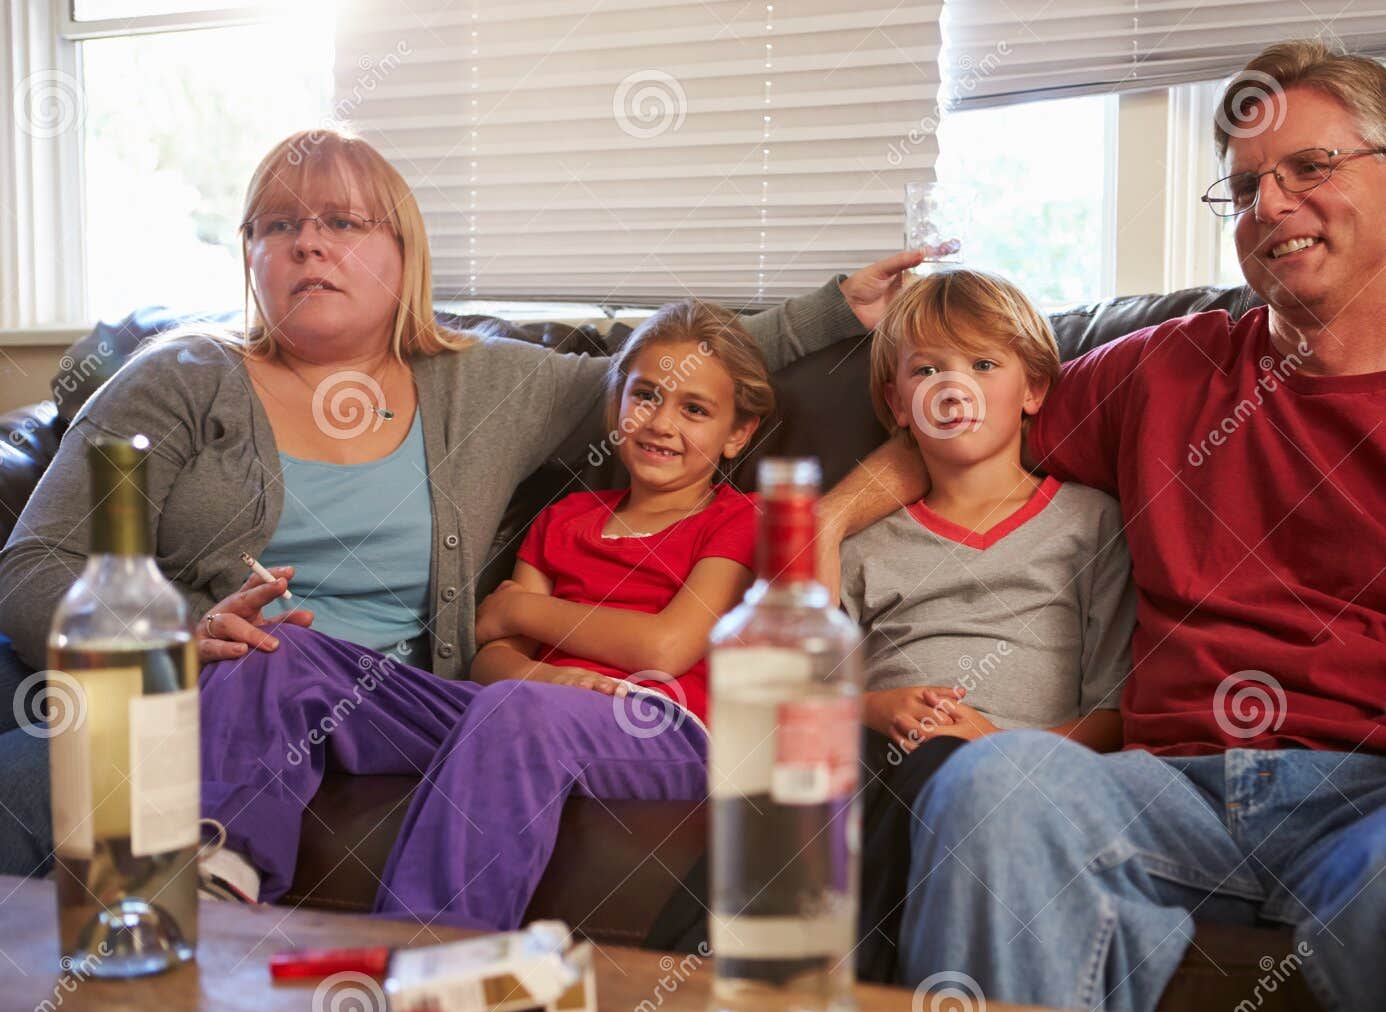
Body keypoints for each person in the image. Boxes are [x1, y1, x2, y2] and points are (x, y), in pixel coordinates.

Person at [819, 41, 1386, 1012]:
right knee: (995, 782)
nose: (1268, 205)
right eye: (1242, 186)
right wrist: (826, 518)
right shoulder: (1161, 369)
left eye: (1307, 168)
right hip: (1160, 783)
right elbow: (966, 417)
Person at [0, 127, 918, 883]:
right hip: (206, 693)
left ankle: (403, 986)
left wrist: (834, 310)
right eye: (278, 224)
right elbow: (33, 567)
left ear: (404, 252)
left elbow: (665, 371)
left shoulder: (479, 384)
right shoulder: (176, 379)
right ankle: (212, 895)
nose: (307, 241)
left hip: (406, 703)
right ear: (250, 254)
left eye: (341, 222)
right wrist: (171, 639)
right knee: (46, 776)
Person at [198, 300, 770, 928]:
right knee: (281, 651)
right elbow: (490, 654)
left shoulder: (739, 519)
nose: (662, 423)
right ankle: (221, 877)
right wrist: (547, 678)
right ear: (617, 404)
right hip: (520, 713)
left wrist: (524, 609)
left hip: (658, 724)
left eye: (694, 409)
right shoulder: (564, 518)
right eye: (646, 397)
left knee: (515, 711)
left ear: (738, 433)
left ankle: (429, 950)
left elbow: (664, 647)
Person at [838, 269, 1135, 979]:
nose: (954, 386)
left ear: (1033, 389)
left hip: (1019, 772)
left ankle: (846, 1010)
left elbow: (1115, 715)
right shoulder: (865, 547)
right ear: (899, 403)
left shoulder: (1091, 524)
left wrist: (999, 743)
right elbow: (803, 699)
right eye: (928, 369)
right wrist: (876, 708)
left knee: (950, 761)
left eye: (982, 364)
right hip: (873, 761)